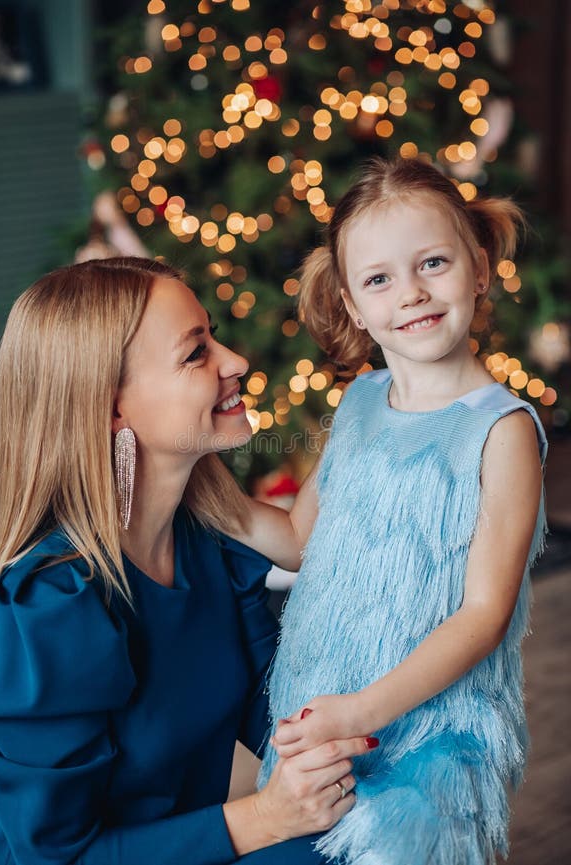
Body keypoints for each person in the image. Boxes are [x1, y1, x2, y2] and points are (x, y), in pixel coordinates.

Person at [0, 257, 376, 865]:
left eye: (213, 336)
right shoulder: (50, 604)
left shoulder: (210, 546)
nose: (237, 361)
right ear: (112, 409)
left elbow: (281, 715)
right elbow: (57, 858)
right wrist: (266, 816)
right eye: (196, 353)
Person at [229, 158, 547, 864]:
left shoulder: (501, 430)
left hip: (431, 741)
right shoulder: (360, 400)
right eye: (379, 279)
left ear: (479, 269)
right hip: (322, 700)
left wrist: (361, 712)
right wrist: (195, 488)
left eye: (433, 263)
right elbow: (298, 539)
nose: (412, 293)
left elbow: (484, 615)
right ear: (352, 304)